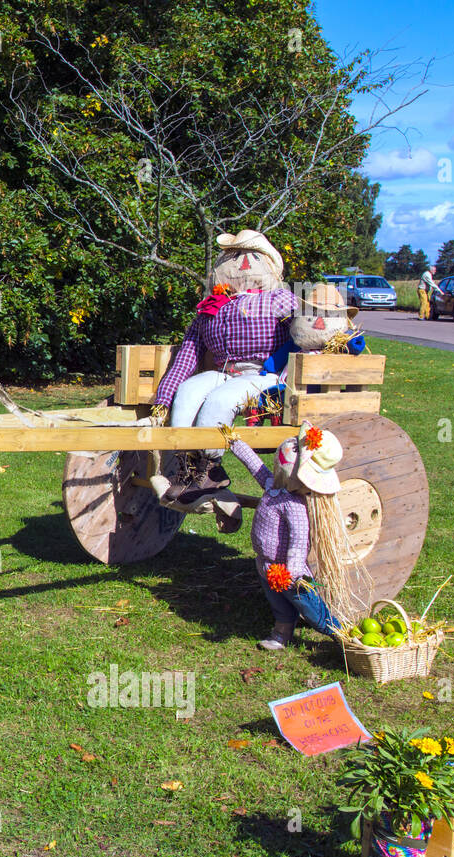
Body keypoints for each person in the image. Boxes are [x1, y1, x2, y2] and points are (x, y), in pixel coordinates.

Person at [154, 230, 296, 505]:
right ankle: (187, 469)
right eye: (232, 257)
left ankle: (211, 468)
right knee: (187, 392)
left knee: (220, 401)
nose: (241, 264)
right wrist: (164, 396)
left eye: (252, 257)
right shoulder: (212, 307)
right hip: (224, 371)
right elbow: (189, 352)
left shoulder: (280, 300)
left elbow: (306, 332)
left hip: (263, 373)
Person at [221, 421, 357, 651]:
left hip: (288, 573)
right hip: (266, 565)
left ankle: (341, 636)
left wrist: (293, 569)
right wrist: (237, 444)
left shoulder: (294, 505)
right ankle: (281, 634)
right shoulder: (273, 486)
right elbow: (257, 467)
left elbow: (299, 538)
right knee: (279, 606)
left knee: (310, 608)